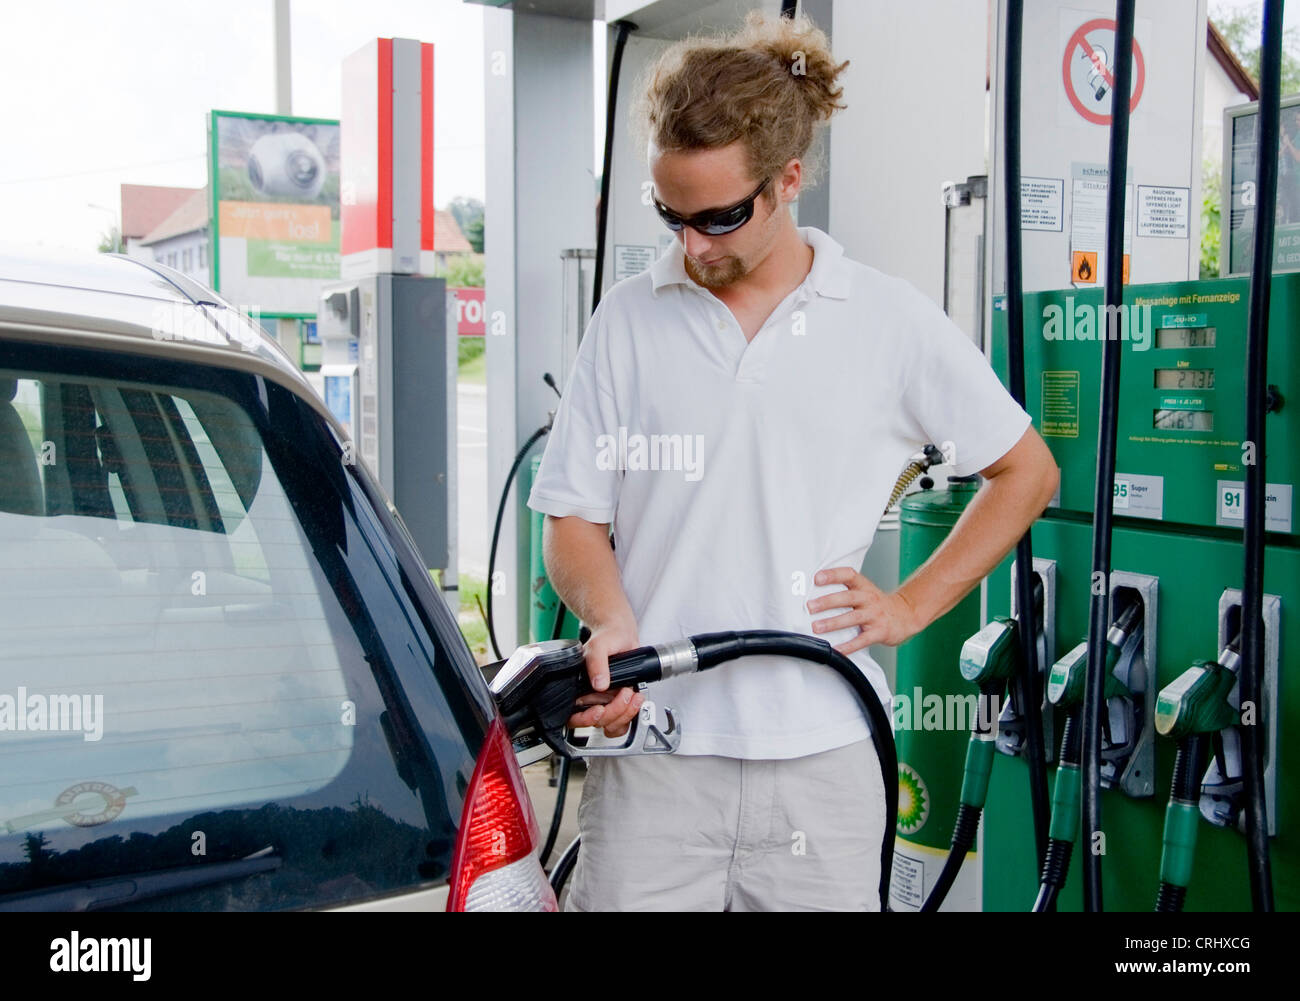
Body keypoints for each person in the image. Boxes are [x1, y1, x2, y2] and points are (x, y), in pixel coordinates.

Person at [526, 11, 1059, 912]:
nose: (694, 246)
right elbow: (571, 519)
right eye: (673, 216)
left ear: (789, 180)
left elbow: (1027, 472)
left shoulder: (884, 318)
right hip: (656, 755)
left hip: (826, 759)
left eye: (721, 217)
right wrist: (609, 617)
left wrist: (907, 606)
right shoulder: (627, 318)